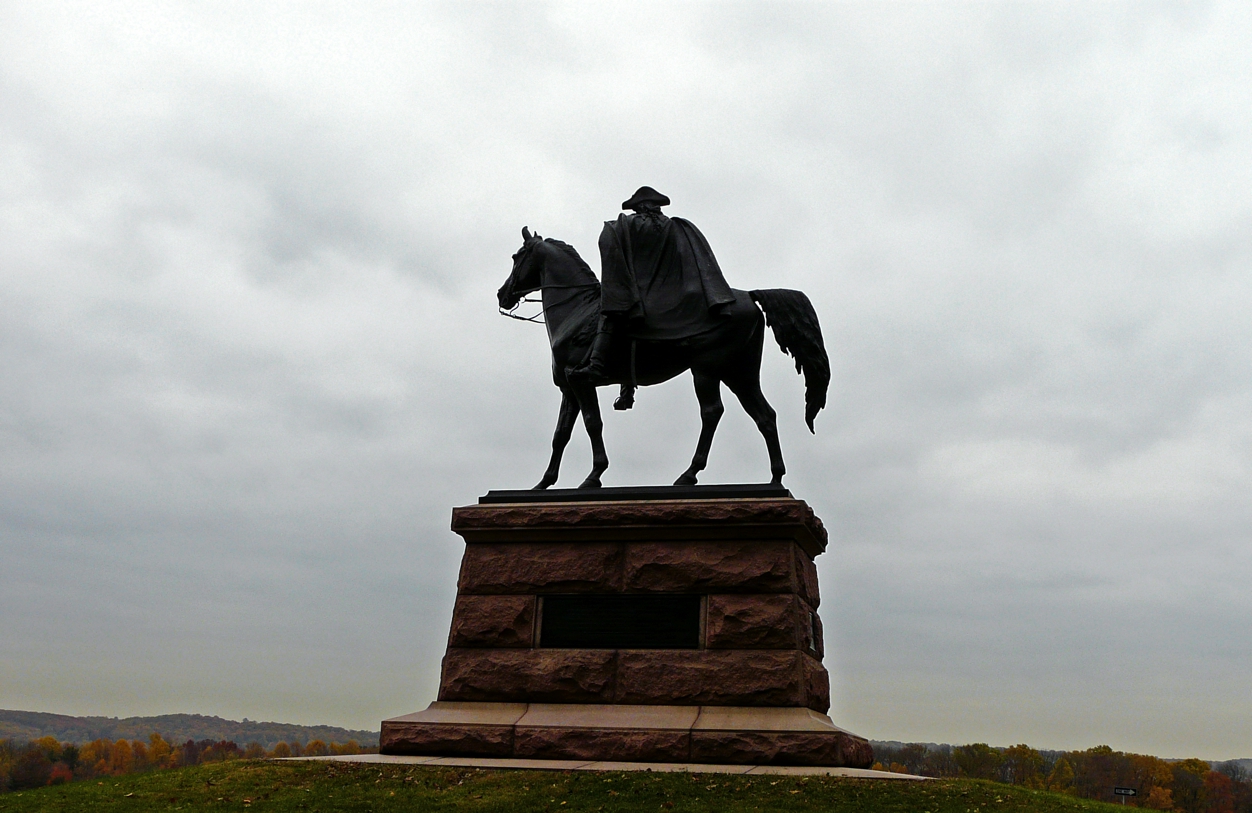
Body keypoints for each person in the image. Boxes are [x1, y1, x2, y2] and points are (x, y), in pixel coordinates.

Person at [566, 187, 735, 401]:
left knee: (610, 312)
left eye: (637, 207)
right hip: (676, 295)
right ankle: (626, 387)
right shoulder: (677, 227)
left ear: (642, 207)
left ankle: (596, 365)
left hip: (642, 295)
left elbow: (610, 241)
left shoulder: (629, 225)